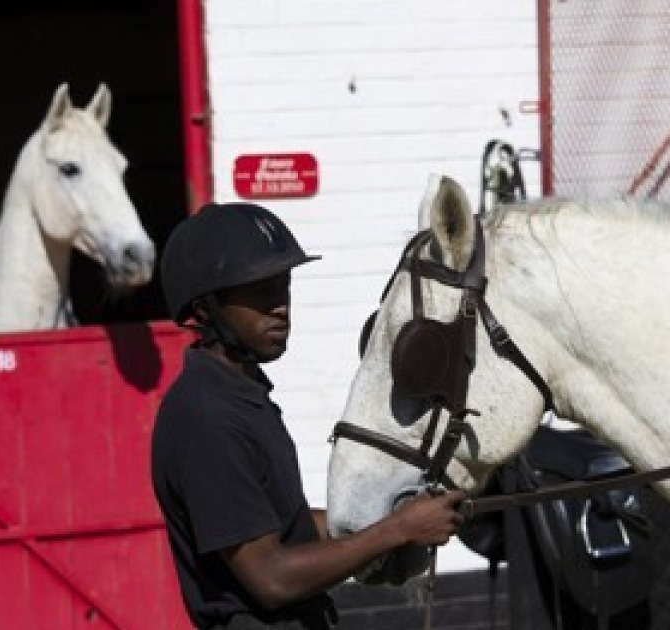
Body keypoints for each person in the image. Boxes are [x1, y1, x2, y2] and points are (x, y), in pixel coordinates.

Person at [151, 202, 466, 630]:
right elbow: (270, 578)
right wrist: (397, 530)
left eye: (283, 287)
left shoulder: (241, 396)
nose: (279, 306)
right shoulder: (207, 417)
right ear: (206, 309)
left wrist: (390, 517)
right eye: (259, 293)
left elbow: (289, 529)